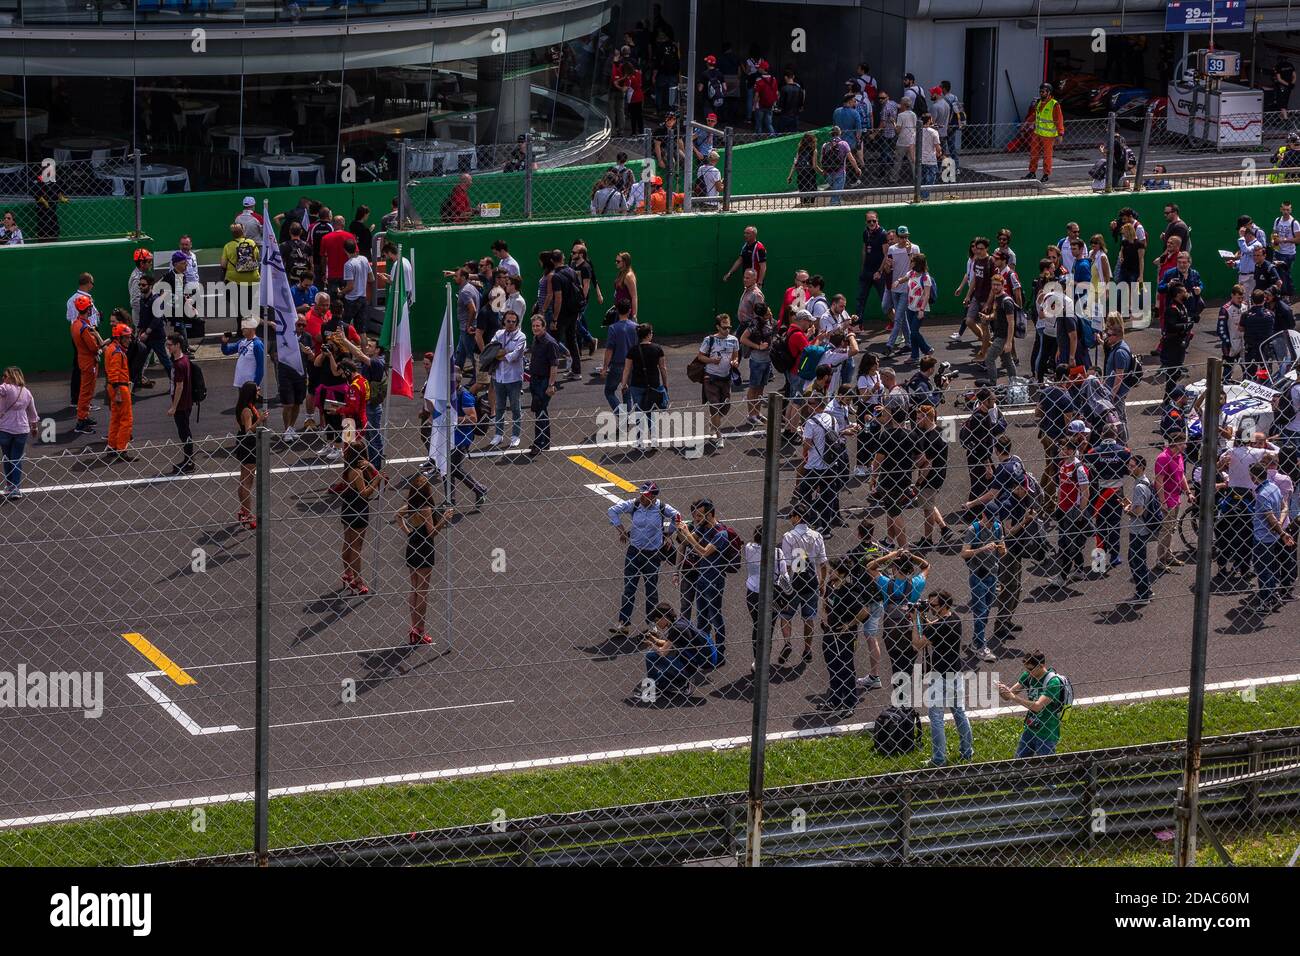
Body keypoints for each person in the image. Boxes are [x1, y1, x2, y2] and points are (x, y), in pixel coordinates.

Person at [916, 589, 973, 766]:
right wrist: (925, 619)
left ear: (944, 605)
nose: (931, 607)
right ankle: (967, 751)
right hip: (955, 673)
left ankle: (939, 758)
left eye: (934, 605)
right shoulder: (954, 618)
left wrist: (914, 620)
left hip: (940, 677)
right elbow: (935, 627)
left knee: (936, 717)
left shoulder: (938, 626)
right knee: (959, 713)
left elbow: (917, 643)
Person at [397, 474, 454, 646]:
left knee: (414, 588)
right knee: (423, 591)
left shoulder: (410, 506)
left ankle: (414, 627)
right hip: (424, 549)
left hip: (412, 546)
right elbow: (431, 532)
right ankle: (419, 629)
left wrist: (409, 532)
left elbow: (397, 516)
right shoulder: (426, 509)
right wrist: (444, 520)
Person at [675, 498, 732, 666]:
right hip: (701, 578)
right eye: (696, 515)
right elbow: (686, 541)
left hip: (714, 581)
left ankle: (720, 652)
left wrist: (688, 536)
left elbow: (704, 552)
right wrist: (681, 532)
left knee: (715, 617)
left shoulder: (720, 533)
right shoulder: (702, 528)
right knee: (701, 619)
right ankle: (705, 651)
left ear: (710, 514)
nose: (697, 518)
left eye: (701, 515)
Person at [777, 504, 829, 666]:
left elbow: (785, 562)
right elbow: (823, 563)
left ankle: (787, 642)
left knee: (785, 616)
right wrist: (822, 582)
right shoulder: (817, 536)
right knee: (809, 617)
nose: (791, 519)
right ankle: (807, 649)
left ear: (798, 517)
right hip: (811, 582)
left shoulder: (789, 536)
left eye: (792, 516)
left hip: (794, 582)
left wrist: (783, 586)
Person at [998, 650, 1068, 757]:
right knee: (1019, 763)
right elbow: (1008, 696)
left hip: (1047, 731)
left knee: (1046, 767)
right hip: (1030, 728)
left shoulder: (1053, 682)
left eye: (1030, 669)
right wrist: (1002, 690)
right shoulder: (1028, 676)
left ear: (1041, 665)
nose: (1028, 672)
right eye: (1026, 668)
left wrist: (1013, 697)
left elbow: (1037, 706)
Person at [642, 602, 718, 700]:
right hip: (689, 662)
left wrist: (651, 644)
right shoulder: (680, 622)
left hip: (687, 665)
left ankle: (654, 689)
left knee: (650, 656)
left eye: (657, 620)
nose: (656, 623)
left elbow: (662, 652)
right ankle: (678, 682)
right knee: (662, 680)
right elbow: (668, 643)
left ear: (664, 617)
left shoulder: (676, 629)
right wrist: (653, 639)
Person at [337, 441, 383, 597]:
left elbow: (375, 476)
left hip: (348, 506)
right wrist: (376, 481)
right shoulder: (356, 472)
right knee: (357, 545)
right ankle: (358, 579)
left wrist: (370, 467)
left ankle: (348, 573)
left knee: (348, 541)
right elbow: (364, 492)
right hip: (358, 508)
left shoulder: (350, 469)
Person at [961, 500, 1004, 662]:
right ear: (984, 515)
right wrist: (982, 549)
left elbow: (1003, 549)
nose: (992, 522)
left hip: (993, 574)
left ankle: (975, 641)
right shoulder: (974, 529)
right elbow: (964, 553)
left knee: (985, 613)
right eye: (990, 519)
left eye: (995, 519)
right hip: (977, 575)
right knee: (980, 611)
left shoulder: (998, 528)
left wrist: (1001, 549)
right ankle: (980, 646)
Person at [1054, 420, 1093, 587]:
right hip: (1063, 509)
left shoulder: (1079, 468)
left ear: (1070, 450)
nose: (1059, 451)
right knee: (1071, 543)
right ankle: (1078, 570)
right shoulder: (1063, 465)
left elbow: (1085, 492)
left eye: (1062, 449)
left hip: (1073, 511)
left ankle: (1062, 577)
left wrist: (1081, 512)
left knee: (1066, 544)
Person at [743, 524, 788, 667]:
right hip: (771, 594)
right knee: (769, 628)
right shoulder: (777, 553)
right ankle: (765, 660)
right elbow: (784, 576)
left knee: (757, 626)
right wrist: (788, 593)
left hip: (753, 593)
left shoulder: (749, 548)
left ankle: (757, 659)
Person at [622, 322, 669, 446]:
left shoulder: (633, 350)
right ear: (648, 335)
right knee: (652, 412)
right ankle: (654, 440)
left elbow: (627, 369)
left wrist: (624, 384)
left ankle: (640, 441)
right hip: (653, 385)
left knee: (639, 412)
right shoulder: (658, 349)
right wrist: (665, 384)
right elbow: (663, 368)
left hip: (636, 385)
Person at [697, 313, 739, 449]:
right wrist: (711, 360)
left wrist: (735, 362)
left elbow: (736, 357)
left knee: (725, 406)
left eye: (729, 327)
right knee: (714, 405)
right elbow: (700, 357)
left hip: (726, 378)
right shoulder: (709, 340)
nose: (727, 330)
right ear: (717, 327)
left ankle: (713, 422)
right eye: (724, 327)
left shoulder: (733, 340)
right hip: (710, 378)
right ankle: (719, 436)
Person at [0, 366, 39, 499]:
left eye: (5, 376)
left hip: (5, 428)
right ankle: (15, 487)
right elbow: (32, 412)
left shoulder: (6, 388)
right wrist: (34, 427)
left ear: (11, 377)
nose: (3, 378)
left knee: (7, 458)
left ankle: (11, 485)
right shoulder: (26, 392)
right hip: (22, 429)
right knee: (16, 459)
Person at [1123, 454, 1157, 605]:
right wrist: (1132, 505)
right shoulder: (1146, 481)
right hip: (1143, 528)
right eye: (1129, 466)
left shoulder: (1139, 487)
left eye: (1132, 466)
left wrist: (1127, 509)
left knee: (1136, 560)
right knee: (1137, 559)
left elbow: (1139, 511)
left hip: (1138, 529)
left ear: (1141, 467)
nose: (1129, 468)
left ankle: (1142, 594)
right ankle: (1146, 590)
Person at [233, 381, 265, 530]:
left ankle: (243, 511)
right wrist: (260, 420)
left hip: (245, 445)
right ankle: (247, 513)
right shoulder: (247, 410)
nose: (259, 391)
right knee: (247, 481)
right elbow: (248, 430)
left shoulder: (244, 406)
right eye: (257, 390)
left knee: (244, 479)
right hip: (249, 445)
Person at [69, 294, 103, 436]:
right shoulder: (83, 327)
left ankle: (84, 417)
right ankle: (81, 421)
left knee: (86, 391)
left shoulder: (76, 324)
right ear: (87, 309)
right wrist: (99, 347)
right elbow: (93, 347)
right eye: (90, 307)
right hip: (89, 362)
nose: (91, 309)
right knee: (86, 391)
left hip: (84, 360)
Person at [527, 316, 561, 454]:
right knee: (541, 411)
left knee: (540, 410)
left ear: (544, 327)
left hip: (544, 381)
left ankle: (539, 442)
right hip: (534, 380)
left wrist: (551, 385)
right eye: (534, 326)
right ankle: (544, 441)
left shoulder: (550, 343)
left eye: (538, 326)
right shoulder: (536, 340)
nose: (535, 328)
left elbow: (554, 366)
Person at [103, 323, 134, 461]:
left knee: (115, 418)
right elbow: (114, 373)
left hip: (114, 387)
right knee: (126, 419)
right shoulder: (117, 352)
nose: (129, 340)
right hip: (119, 387)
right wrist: (118, 393)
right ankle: (122, 449)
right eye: (126, 337)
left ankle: (112, 446)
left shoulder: (111, 348)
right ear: (119, 338)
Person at [1024, 82, 1064, 183]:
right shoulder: (1038, 102)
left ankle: (1046, 174)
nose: (1041, 93)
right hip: (1037, 133)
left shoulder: (1054, 104)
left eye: (1043, 92)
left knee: (1047, 156)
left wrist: (1060, 134)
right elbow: (1035, 115)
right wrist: (1027, 122)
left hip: (1048, 136)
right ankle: (1032, 172)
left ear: (1048, 92)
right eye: (1040, 91)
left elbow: (1059, 119)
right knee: (1034, 154)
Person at [221, 317, 266, 390]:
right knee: (242, 401)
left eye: (245, 327)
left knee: (249, 401)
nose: (242, 329)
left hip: (250, 383)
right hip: (241, 382)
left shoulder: (257, 344)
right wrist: (224, 342)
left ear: (252, 329)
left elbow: (261, 366)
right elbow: (227, 351)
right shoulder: (242, 342)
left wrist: (255, 384)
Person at [787, 132, 822, 201]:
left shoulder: (800, 150)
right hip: (810, 175)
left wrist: (790, 176)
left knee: (803, 192)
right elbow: (814, 166)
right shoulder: (814, 150)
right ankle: (811, 203)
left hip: (801, 174)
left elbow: (795, 163)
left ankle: (804, 203)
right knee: (812, 192)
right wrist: (821, 172)